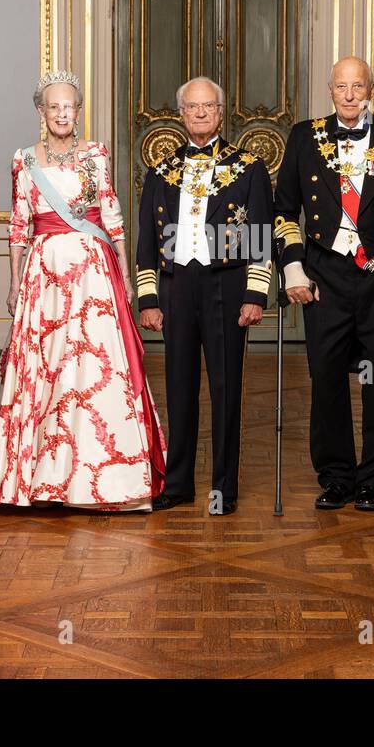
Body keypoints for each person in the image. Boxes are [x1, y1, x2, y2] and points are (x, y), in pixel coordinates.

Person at [0, 72, 166, 510]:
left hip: (93, 274)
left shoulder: (95, 154)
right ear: (41, 111)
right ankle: (35, 478)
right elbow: (17, 228)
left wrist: (126, 278)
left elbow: (113, 219)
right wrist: (14, 284)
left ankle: (99, 479)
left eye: (70, 106)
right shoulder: (23, 159)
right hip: (43, 277)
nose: (63, 113)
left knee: (92, 366)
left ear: (78, 110)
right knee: (45, 368)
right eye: (54, 106)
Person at [273, 57, 374, 512]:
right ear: (330, 90)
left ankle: (371, 479)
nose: (349, 94)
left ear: (371, 87)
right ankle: (336, 476)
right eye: (341, 86)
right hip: (325, 276)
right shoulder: (305, 136)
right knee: (327, 378)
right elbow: (284, 210)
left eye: (358, 85)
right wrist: (293, 269)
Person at [137, 77, 273, 516]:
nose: (199, 113)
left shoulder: (248, 166)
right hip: (177, 287)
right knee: (178, 389)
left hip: (227, 286)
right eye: (191, 107)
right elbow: (145, 241)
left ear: (221, 112)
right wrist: (148, 299)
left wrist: (255, 294)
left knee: (225, 389)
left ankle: (223, 487)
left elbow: (259, 237)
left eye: (207, 106)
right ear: (180, 114)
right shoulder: (161, 169)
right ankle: (177, 484)